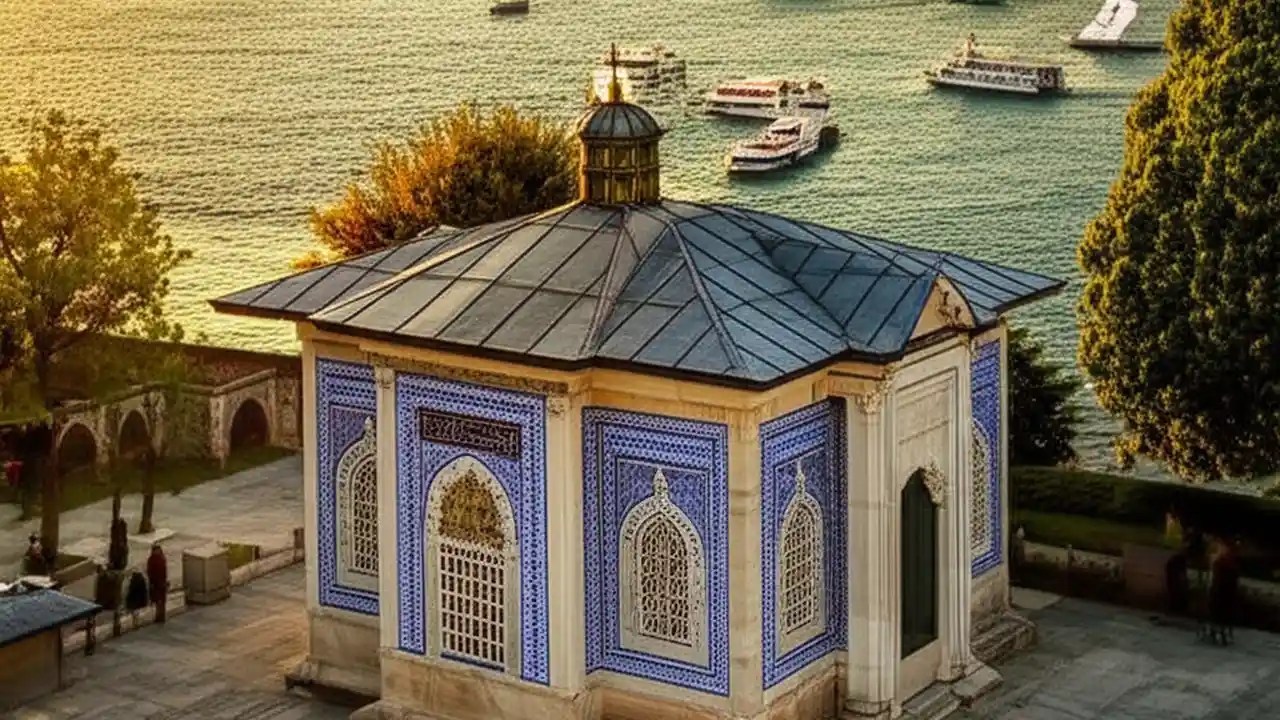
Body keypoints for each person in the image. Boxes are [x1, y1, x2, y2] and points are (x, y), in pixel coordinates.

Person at [146, 543, 169, 624]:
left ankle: (160, 616)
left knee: (160, 600)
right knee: (159, 600)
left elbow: (150, 571)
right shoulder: (161, 559)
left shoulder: (153, 559)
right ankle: (160, 615)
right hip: (157, 582)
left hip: (158, 582)